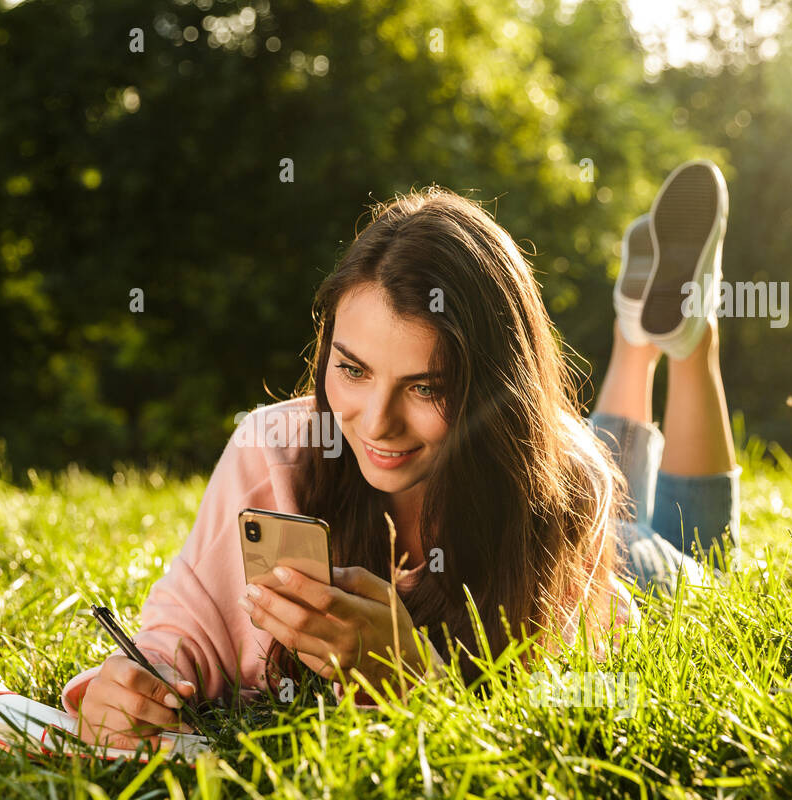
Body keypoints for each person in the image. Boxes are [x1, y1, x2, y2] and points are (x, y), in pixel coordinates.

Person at [65, 160, 741, 751]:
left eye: (424, 387)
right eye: (353, 371)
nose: (376, 425)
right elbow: (187, 622)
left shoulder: (569, 488)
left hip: (623, 558)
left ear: (495, 391)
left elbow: (565, 714)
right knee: (601, 455)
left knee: (701, 553)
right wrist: (136, 681)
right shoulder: (275, 446)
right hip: (570, 461)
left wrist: (412, 671)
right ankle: (640, 326)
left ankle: (688, 340)